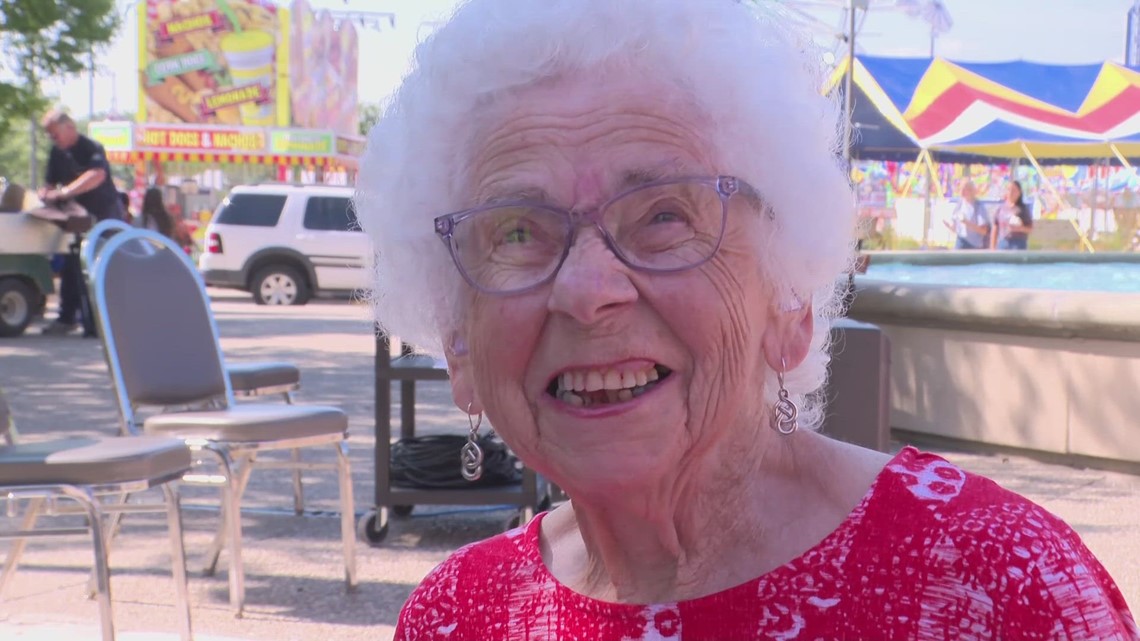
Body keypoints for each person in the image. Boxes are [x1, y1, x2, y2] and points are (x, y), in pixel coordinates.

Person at [353, 1, 1139, 639]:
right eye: (517, 232)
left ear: (788, 295)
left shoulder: (996, 585)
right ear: (458, 340)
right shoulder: (459, 617)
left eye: (663, 214)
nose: (588, 290)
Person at [39, 108, 125, 337]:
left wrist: (65, 192)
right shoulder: (56, 153)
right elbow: (49, 184)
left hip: (104, 216)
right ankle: (67, 319)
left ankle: (101, 321)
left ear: (69, 128)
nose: (53, 139)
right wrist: (45, 195)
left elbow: (96, 176)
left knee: (100, 267)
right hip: (77, 218)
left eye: (55, 134)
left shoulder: (91, 148)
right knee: (71, 265)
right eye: (50, 136)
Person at [944, 179, 991, 249]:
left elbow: (984, 231)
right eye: (961, 189)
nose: (962, 191)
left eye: (965, 189)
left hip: (974, 245)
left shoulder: (979, 206)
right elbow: (956, 227)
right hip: (960, 241)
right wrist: (949, 226)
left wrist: (966, 223)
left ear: (972, 191)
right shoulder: (960, 204)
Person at [991, 180, 1033, 250]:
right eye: (1009, 190)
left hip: (1018, 243)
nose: (1011, 192)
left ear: (1019, 193)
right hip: (1003, 242)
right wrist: (992, 247)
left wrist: (1020, 228)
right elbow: (995, 228)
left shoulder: (1022, 209)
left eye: (1014, 190)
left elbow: (1030, 229)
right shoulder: (1000, 209)